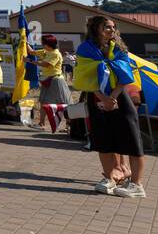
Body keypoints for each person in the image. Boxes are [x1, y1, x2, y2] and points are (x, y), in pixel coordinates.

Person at [75, 15, 147, 199]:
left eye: (113, 27)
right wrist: (103, 98)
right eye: (107, 27)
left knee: (132, 139)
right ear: (96, 28)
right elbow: (84, 77)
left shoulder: (119, 48)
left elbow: (125, 75)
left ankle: (137, 184)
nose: (111, 30)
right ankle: (110, 178)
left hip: (120, 97)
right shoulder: (85, 49)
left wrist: (113, 98)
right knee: (102, 139)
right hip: (96, 96)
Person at [37, 35, 71, 133]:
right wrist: (24, 41)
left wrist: (31, 61)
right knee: (43, 102)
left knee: (64, 103)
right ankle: (41, 124)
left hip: (56, 81)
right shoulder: (46, 52)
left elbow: (46, 64)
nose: (42, 44)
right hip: (47, 80)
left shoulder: (55, 54)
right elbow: (31, 51)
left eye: (43, 42)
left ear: (48, 44)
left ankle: (69, 126)